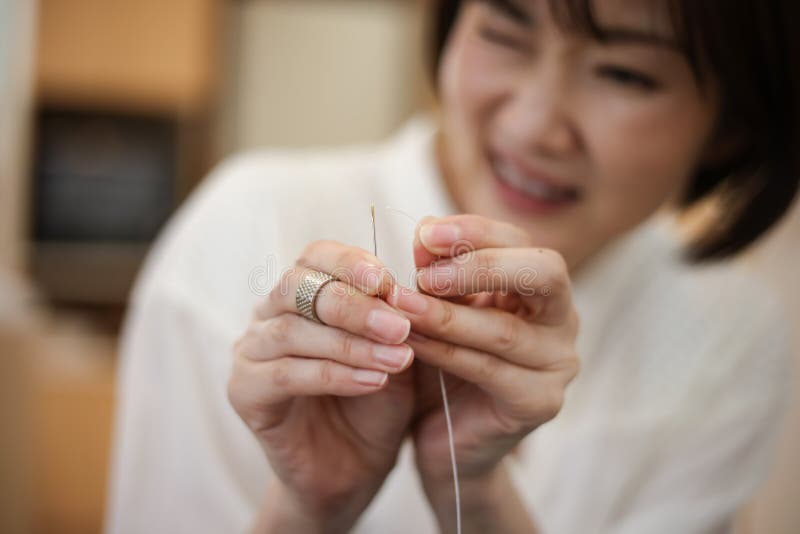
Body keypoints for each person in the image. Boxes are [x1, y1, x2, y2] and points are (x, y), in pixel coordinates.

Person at [105, 0, 800, 532]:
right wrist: (306, 512)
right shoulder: (249, 227)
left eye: (626, 73)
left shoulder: (728, 334)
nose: (531, 125)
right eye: (503, 30)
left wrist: (478, 494)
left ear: (733, 121)